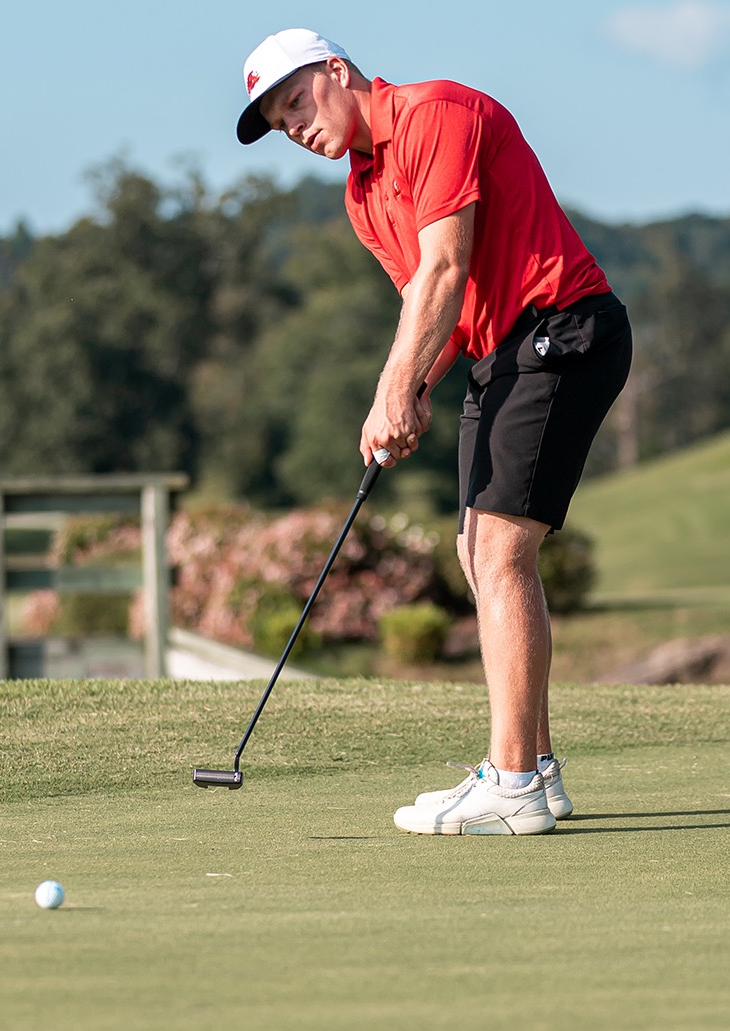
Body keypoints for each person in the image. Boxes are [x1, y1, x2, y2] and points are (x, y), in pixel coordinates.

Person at [236, 29, 632, 836]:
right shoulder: (362, 194)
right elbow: (432, 311)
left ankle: (512, 784)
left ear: (337, 71)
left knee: (500, 551)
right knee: (474, 552)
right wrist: (406, 392)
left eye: (297, 101)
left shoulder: (436, 115)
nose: (296, 128)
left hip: (563, 329)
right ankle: (535, 768)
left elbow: (446, 268)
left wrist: (395, 388)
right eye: (281, 123)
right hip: (502, 352)